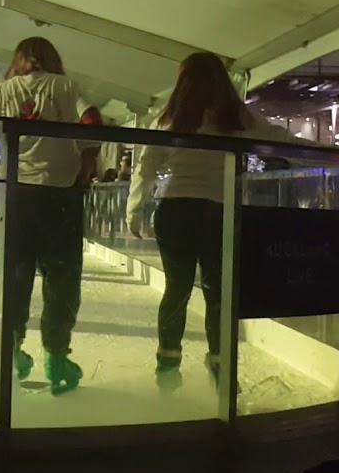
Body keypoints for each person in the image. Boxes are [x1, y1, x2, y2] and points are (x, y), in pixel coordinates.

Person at [127, 52, 299, 388]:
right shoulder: (236, 117)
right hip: (219, 209)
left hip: (175, 208)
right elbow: (281, 140)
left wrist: (134, 209)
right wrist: (333, 154)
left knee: (176, 289)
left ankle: (167, 366)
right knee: (218, 293)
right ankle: (221, 366)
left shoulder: (171, 117)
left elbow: (145, 166)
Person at [0, 36, 100, 395]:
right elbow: (92, 118)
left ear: (19, 60)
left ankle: (14, 353)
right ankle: (57, 357)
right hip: (60, 193)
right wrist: (86, 162)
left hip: (17, 192)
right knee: (61, 278)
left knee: (16, 275)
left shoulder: (3, 91)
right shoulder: (65, 85)